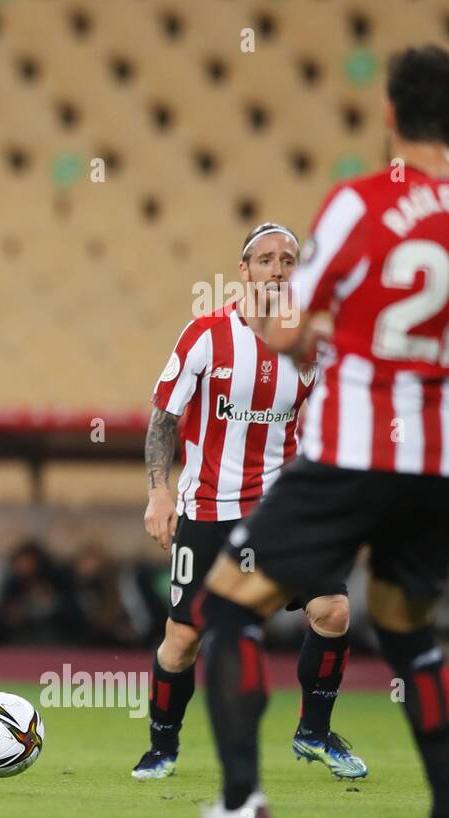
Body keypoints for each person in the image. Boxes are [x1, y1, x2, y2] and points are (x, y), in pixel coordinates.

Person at [171, 46, 449, 818]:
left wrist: (318, 328)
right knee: (408, 630)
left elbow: (289, 328)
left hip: (351, 456)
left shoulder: (358, 205)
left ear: (390, 117)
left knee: (225, 609)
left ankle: (240, 804)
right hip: (433, 464)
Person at [135, 222, 362, 781]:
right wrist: (159, 491)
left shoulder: (311, 345)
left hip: (279, 511)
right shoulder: (205, 335)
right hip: (209, 509)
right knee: (183, 641)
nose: (278, 270)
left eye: (289, 260)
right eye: (265, 260)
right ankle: (162, 747)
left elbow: (336, 418)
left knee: (332, 610)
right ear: (243, 271)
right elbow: (164, 417)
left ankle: (314, 732)